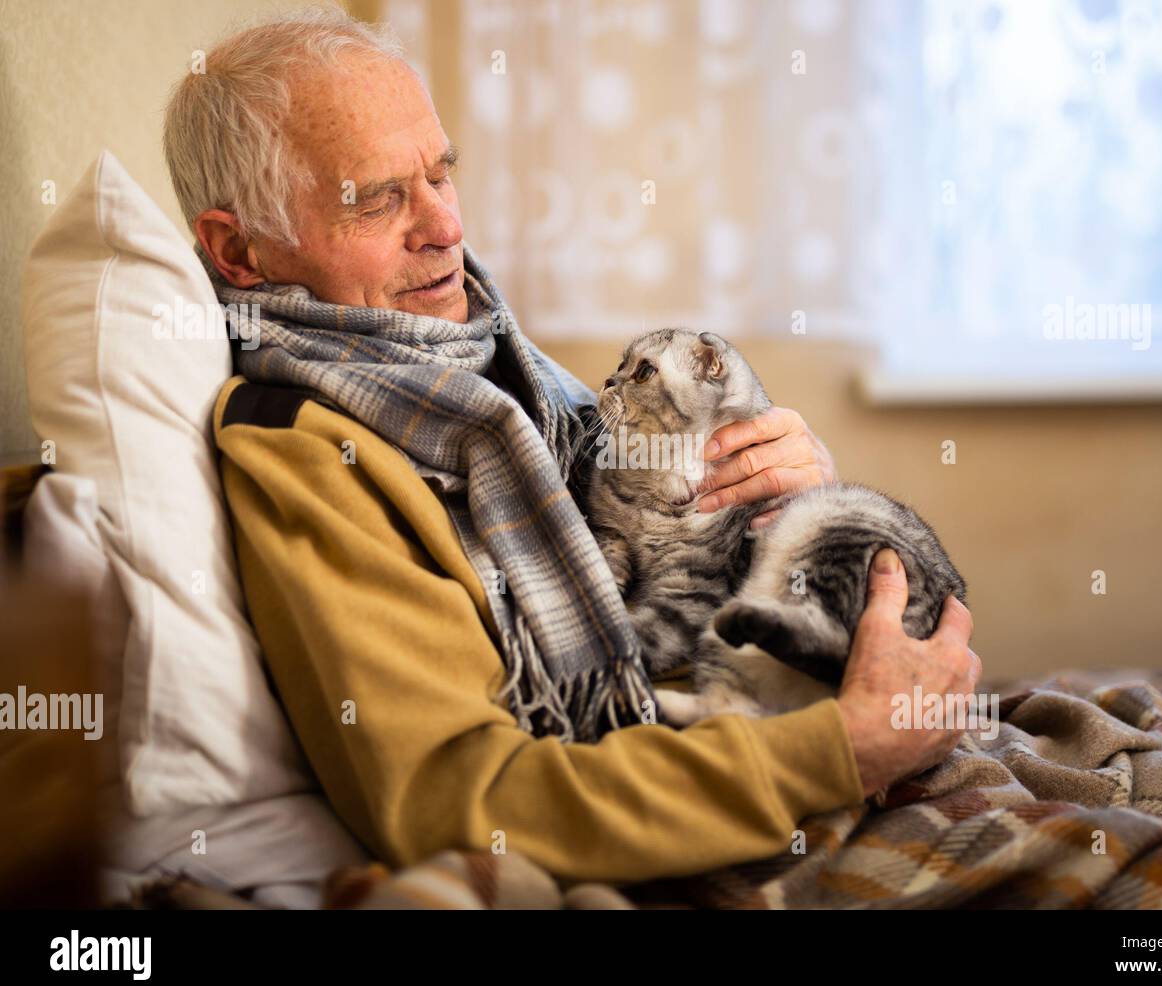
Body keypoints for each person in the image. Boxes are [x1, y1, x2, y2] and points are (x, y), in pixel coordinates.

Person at [164, 8, 981, 884]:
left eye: (441, 173)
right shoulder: (307, 456)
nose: (446, 228)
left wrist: (781, 503)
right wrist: (843, 750)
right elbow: (469, 800)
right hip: (726, 811)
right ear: (238, 250)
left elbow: (664, 564)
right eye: (380, 197)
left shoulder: (491, 373)